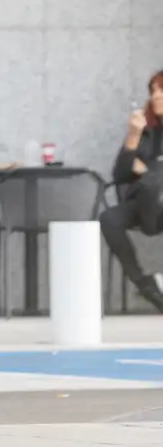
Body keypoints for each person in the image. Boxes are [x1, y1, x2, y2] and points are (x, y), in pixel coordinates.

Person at [101, 71, 163, 313]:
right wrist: (133, 135)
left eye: (161, 90)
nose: (156, 96)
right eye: (153, 91)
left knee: (149, 183)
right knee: (109, 219)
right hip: (144, 203)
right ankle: (144, 284)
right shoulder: (146, 130)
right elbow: (120, 174)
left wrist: (146, 171)